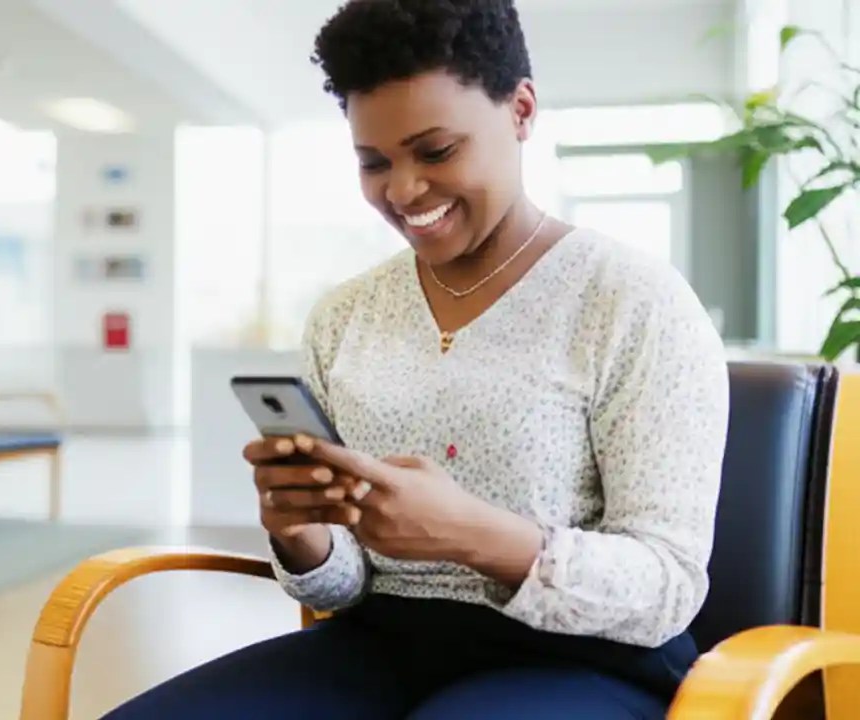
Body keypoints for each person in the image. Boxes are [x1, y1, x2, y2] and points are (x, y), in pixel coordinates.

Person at [102, 1, 729, 717]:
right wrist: (302, 535)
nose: (401, 191)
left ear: (521, 111)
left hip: (583, 659)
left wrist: (471, 534)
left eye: (436, 152)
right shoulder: (346, 316)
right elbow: (343, 587)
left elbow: (668, 585)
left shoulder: (632, 302)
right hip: (379, 646)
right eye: (374, 162)